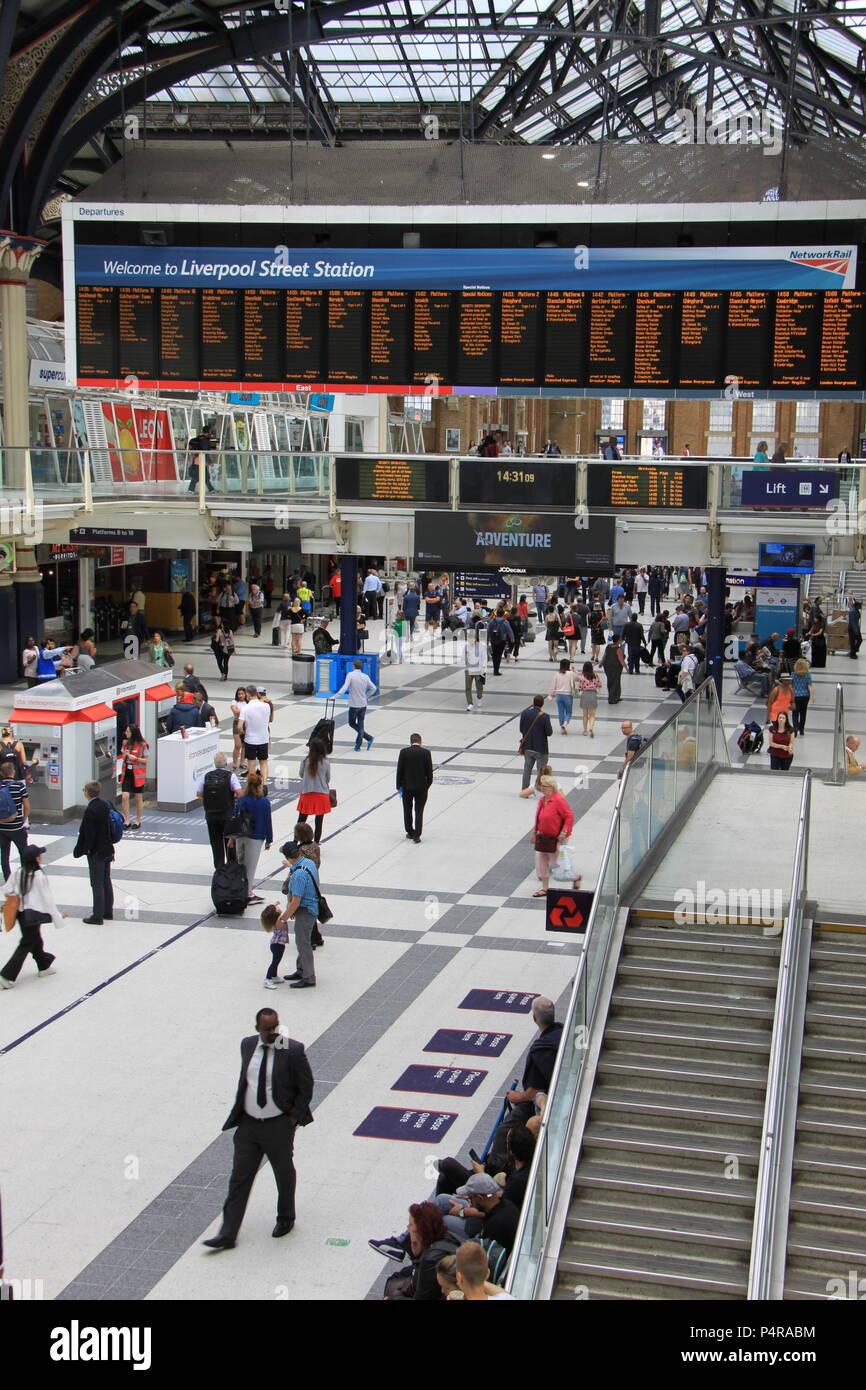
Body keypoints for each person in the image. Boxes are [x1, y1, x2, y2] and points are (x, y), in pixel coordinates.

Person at [202, 1008, 314, 1250]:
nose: (272, 1033)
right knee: (239, 1178)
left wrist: (293, 1118)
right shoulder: (247, 1046)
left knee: (283, 1172)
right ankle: (228, 1233)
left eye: (275, 1027)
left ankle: (286, 1218)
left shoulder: (292, 1050)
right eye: (267, 1029)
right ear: (257, 1029)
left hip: (278, 1125)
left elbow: (306, 1086)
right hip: (249, 1126)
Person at [0, 844, 66, 988]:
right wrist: (58, 918)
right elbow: (48, 901)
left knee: (34, 940)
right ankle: (6, 975)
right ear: (37, 858)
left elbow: (7, 889)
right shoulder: (39, 876)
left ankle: (43, 965)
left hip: (21, 914)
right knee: (26, 944)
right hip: (34, 916)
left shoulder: (18, 872)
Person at [381, 1204, 459, 1301]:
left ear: (420, 1230)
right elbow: (415, 1268)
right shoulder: (442, 1239)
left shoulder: (432, 1259)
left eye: (411, 1224)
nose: (408, 1227)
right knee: (393, 1281)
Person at [276, 841, 320, 989]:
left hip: (305, 910)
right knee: (303, 941)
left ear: (288, 857)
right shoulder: (308, 862)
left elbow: (295, 901)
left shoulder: (299, 874)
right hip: (310, 906)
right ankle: (301, 970)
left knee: (303, 944)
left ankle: (308, 977)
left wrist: (282, 918)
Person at [72, 780, 115, 924]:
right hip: (108, 848)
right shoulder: (105, 804)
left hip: (96, 851)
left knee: (96, 883)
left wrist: (81, 850)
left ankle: (97, 915)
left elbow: (88, 834)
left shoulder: (91, 810)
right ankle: (107, 911)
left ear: (87, 793)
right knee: (106, 879)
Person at [230, 771, 273, 906]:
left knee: (241, 863)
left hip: (240, 836)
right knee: (251, 867)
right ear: (259, 786)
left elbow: (235, 819)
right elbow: (267, 822)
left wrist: (232, 838)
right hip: (256, 837)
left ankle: (239, 889)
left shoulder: (242, 800)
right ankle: (248, 893)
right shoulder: (264, 802)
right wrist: (269, 839)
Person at [529, 775, 573, 898]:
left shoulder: (558, 800)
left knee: (557, 863)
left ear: (552, 787)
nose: (542, 789)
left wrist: (563, 832)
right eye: (541, 786)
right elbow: (538, 817)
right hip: (543, 837)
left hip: (557, 838)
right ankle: (545, 888)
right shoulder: (543, 801)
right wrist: (534, 831)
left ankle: (567, 884)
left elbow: (569, 816)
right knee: (540, 861)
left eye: (545, 786)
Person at [197, 752, 241, 869]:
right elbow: (240, 794)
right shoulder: (230, 776)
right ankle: (231, 867)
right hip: (227, 815)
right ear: (226, 763)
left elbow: (199, 794)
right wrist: (232, 798)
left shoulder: (207, 776)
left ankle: (219, 868)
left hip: (211, 815)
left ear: (214, 764)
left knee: (215, 842)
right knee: (230, 842)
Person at [396, 733, 433, 843]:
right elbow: (429, 773)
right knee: (419, 811)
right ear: (420, 741)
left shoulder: (404, 752)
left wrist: (398, 786)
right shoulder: (426, 753)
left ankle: (410, 832)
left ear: (411, 741)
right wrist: (427, 786)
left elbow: (400, 770)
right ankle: (417, 835)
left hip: (407, 787)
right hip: (421, 788)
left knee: (407, 810)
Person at [296, 737, 332, 844]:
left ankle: (295, 841)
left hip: (307, 793)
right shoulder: (326, 762)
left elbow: (301, 775)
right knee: (319, 822)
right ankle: (316, 843)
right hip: (321, 795)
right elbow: (328, 779)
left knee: (301, 820)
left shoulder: (305, 761)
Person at [335, 659, 376, 751]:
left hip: (354, 705)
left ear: (353, 666)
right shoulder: (365, 676)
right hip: (363, 705)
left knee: (352, 723)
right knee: (360, 724)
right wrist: (366, 696)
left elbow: (344, 688)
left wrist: (335, 697)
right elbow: (373, 688)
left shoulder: (350, 675)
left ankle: (363, 742)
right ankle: (365, 740)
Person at [0, 758, 29, 881]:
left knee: (4, 855)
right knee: (23, 852)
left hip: (1, 827)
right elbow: (27, 806)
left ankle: (8, 880)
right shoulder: (19, 786)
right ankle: (24, 879)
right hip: (17, 827)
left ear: (1, 773)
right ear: (13, 772)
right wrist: (23, 819)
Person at [237, 685, 271, 791]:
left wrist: (243, 732)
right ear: (256, 693)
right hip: (263, 738)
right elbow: (268, 720)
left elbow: (239, 726)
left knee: (251, 762)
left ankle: (251, 786)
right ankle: (265, 783)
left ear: (247, 695)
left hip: (250, 739)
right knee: (263, 761)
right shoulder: (266, 706)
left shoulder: (245, 708)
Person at [519, 695, 553, 792]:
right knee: (541, 771)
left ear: (533, 703)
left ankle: (524, 790)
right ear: (542, 704)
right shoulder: (545, 716)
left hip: (528, 747)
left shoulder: (525, 713)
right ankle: (540, 791)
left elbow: (521, 729)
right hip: (541, 749)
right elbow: (549, 733)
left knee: (527, 769)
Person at [118, 724, 148, 829]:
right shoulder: (125, 743)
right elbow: (122, 757)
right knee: (125, 796)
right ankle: (127, 820)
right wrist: (125, 756)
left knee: (138, 797)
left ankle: (138, 820)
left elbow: (146, 760)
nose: (126, 733)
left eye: (128, 731)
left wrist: (136, 758)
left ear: (133, 733)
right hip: (127, 773)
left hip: (138, 775)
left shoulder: (143, 745)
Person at [548, 658, 575, 735]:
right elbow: (577, 678)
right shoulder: (570, 673)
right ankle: (565, 724)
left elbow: (553, 685)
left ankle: (561, 726)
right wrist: (573, 670)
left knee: (560, 712)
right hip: (568, 695)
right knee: (569, 712)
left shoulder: (557, 674)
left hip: (558, 695)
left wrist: (550, 694)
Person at [464, 629, 487, 711]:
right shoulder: (466, 647)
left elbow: (484, 658)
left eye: (472, 638)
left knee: (479, 686)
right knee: (467, 687)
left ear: (475, 639)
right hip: (468, 670)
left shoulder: (481, 646)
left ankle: (479, 697)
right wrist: (466, 656)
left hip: (478, 669)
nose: (470, 640)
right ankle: (470, 703)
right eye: (469, 638)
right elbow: (462, 659)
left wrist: (483, 668)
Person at [576, 661, 601, 737]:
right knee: (592, 715)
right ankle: (591, 728)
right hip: (593, 694)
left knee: (585, 715)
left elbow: (580, 687)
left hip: (585, 695)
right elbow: (599, 685)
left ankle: (585, 730)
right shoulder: (595, 676)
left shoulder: (582, 676)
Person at [187, 426, 215, 493]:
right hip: (201, 460)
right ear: (208, 431)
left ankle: (211, 489)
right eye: (210, 431)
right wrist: (209, 462)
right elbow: (205, 452)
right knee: (198, 476)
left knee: (203, 476)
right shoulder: (204, 440)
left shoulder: (199, 438)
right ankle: (190, 490)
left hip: (198, 460)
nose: (211, 433)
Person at [601, 633, 626, 705]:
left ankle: (615, 697)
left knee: (610, 681)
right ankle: (612, 698)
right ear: (618, 640)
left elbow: (605, 655)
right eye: (620, 639)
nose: (621, 640)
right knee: (615, 682)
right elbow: (621, 660)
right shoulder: (618, 649)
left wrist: (601, 663)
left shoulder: (608, 646)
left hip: (607, 666)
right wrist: (626, 668)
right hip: (616, 667)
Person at [790, 658, 813, 735]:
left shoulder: (793, 674)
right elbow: (810, 686)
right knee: (803, 713)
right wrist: (813, 695)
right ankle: (802, 729)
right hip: (805, 696)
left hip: (795, 696)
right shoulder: (807, 675)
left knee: (795, 713)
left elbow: (790, 686)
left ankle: (795, 728)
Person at [487, 609, 513, 676]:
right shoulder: (505, 622)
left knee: (494, 654)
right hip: (502, 640)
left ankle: (495, 668)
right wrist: (512, 638)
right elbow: (509, 630)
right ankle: (496, 670)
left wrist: (487, 639)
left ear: (497, 613)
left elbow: (488, 630)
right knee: (499, 655)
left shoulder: (492, 621)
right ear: (503, 614)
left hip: (493, 640)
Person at [210, 614, 235, 681]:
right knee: (226, 663)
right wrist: (234, 650)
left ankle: (223, 673)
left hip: (220, 649)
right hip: (228, 649)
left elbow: (217, 640)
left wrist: (214, 638)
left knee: (219, 662)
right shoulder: (230, 631)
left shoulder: (219, 631)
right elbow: (232, 641)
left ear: (223, 624)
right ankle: (226, 676)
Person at [230, 686, 249, 774]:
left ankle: (242, 762)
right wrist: (244, 711)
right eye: (239, 694)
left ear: (245, 694)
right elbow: (235, 711)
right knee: (238, 745)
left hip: (246, 724)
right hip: (237, 723)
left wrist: (240, 711)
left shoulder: (248, 702)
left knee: (245, 745)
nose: (241, 695)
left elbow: (239, 711)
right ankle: (234, 764)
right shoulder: (234, 702)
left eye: (242, 694)